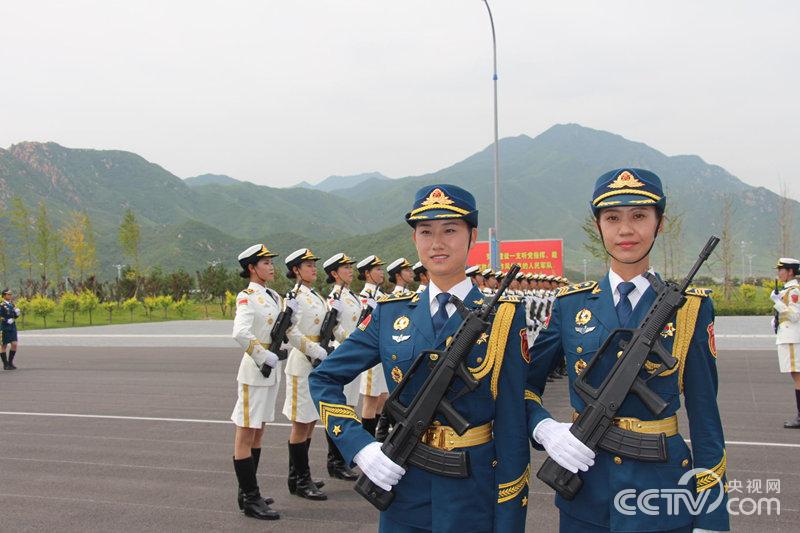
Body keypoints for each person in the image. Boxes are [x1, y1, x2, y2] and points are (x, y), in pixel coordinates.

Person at [310, 184, 532, 532]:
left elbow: (513, 424)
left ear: (472, 237)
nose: (437, 243)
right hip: (402, 483)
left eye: (450, 231)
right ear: (415, 239)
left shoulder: (503, 315)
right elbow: (323, 378)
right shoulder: (390, 314)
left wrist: (509, 518)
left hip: (473, 489)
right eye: (426, 232)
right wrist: (361, 447)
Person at [526, 168, 729, 532]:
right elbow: (524, 387)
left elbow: (705, 419)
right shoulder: (570, 305)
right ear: (598, 226)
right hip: (587, 494)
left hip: (662, 494)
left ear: (659, 223)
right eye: (612, 218)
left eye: (638, 216)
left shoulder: (690, 309)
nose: (625, 230)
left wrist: (712, 516)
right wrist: (544, 428)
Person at [229, 244, 284, 520]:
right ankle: (251, 498)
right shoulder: (247, 296)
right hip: (255, 371)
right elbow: (240, 333)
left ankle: (247, 492)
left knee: (259, 431)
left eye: (271, 262)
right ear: (251, 268)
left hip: (270, 371)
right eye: (265, 263)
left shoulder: (274, 296)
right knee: (245, 433)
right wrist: (263, 355)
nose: (271, 267)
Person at [281, 248, 328, 501]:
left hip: (317, 360)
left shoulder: (315, 295)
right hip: (302, 362)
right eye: (308, 265)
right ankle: (301, 480)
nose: (313, 269)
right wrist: (314, 350)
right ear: (296, 270)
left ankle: (298, 476)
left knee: (310, 421)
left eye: (313, 264)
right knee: (301, 423)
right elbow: (290, 331)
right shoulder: (295, 296)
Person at [322, 252, 361, 479]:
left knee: (350, 407)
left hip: (353, 354)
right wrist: (354, 342)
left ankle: (341, 459)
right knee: (340, 409)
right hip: (343, 352)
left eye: (350, 267)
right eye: (345, 268)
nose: (350, 271)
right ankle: (335, 461)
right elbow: (334, 327)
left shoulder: (351, 295)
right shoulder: (333, 297)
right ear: (335, 274)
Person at [355, 255, 389, 437]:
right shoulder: (364, 297)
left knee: (382, 397)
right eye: (377, 269)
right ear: (367, 273)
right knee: (370, 399)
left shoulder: (380, 295)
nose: (381, 272)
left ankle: (376, 437)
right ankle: (367, 440)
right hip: (371, 352)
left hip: (382, 352)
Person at [771, 257, 800, 428]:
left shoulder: (794, 291)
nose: (779, 273)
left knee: (798, 376)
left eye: (781, 270)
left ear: (790, 272)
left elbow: (794, 316)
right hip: (789, 337)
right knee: (796, 375)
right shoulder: (788, 290)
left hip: (793, 339)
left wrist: (777, 302)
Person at [1, 289, 20, 370]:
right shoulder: (1, 305)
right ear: (4, 295)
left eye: (10, 294)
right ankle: (5, 364)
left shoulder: (12, 304)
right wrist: (6, 320)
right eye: (8, 294)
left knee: (14, 344)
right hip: (4, 327)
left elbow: (14, 316)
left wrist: (17, 314)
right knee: (4, 345)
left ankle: (10, 362)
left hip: (12, 326)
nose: (10, 296)